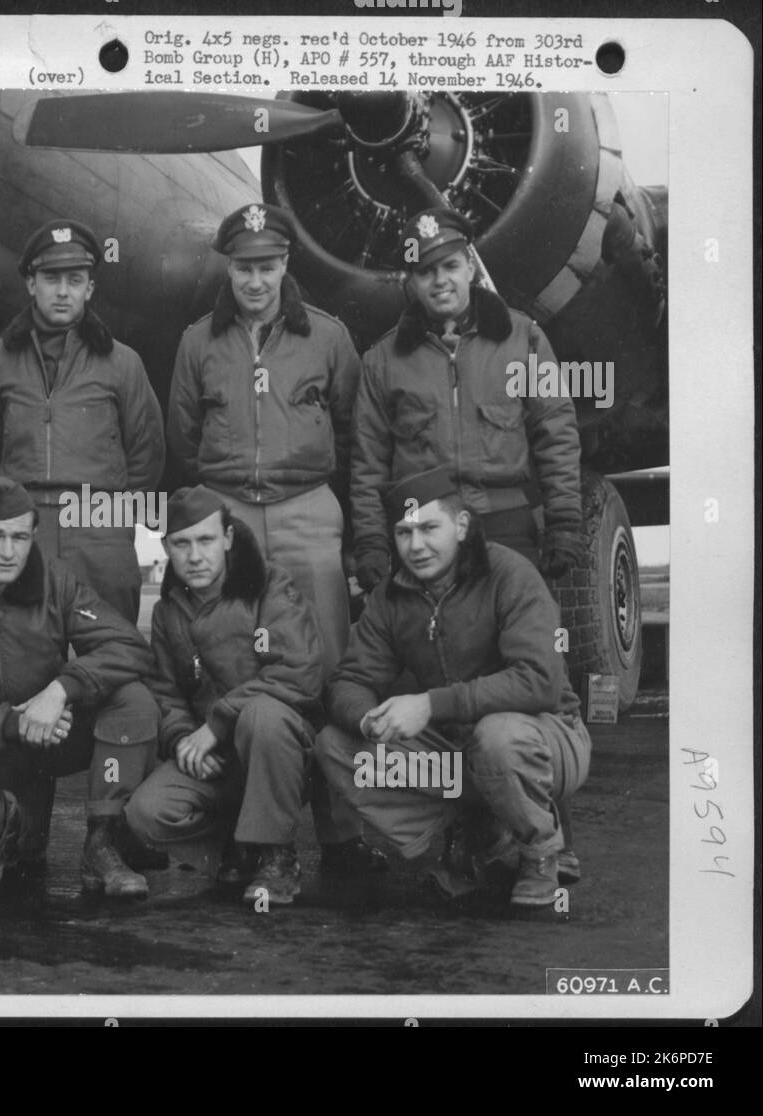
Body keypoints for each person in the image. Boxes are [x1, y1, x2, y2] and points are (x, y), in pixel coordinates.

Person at [166, 202, 378, 875]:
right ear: (227, 267)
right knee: (232, 667)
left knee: (329, 670)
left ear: (286, 264)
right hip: (229, 510)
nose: (254, 281)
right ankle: (248, 838)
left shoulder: (329, 336)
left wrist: (327, 509)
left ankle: (342, 837)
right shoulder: (199, 340)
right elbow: (183, 434)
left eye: (267, 266)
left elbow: (350, 431)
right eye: (242, 268)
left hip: (307, 506)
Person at [315, 468, 591, 907]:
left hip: (548, 740)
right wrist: (366, 717)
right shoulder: (391, 596)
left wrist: (429, 704)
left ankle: (539, 851)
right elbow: (351, 679)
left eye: (429, 528)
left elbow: (539, 682)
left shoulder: (509, 573)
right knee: (337, 746)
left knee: (498, 736)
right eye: (404, 533)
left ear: (461, 526)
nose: (416, 545)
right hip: (457, 759)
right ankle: (480, 827)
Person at [0, 475, 161, 897]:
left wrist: (61, 690)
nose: (7, 551)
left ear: (34, 536)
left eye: (19, 537)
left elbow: (127, 646)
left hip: (54, 738)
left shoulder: (55, 582)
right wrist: (11, 723)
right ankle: (0, 836)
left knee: (134, 702)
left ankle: (102, 842)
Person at [126, 487, 365, 906]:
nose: (195, 556)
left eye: (205, 541)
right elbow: (165, 692)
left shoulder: (270, 586)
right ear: (166, 547)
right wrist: (183, 738)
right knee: (147, 812)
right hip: (218, 759)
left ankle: (278, 858)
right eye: (181, 544)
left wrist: (216, 724)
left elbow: (297, 672)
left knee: (263, 716)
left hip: (287, 751)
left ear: (228, 539)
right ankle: (240, 851)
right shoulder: (167, 612)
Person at [351, 207, 583, 596]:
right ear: (412, 281)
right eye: (426, 272)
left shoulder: (524, 339)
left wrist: (563, 521)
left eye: (450, 266)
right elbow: (368, 463)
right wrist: (372, 541)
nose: (440, 281)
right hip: (424, 529)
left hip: (506, 524)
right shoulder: (382, 360)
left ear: (470, 267)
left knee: (523, 642)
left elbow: (556, 432)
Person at [0, 218, 165, 626]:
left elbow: (147, 452)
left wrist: (113, 521)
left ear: (89, 288)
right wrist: (15, 516)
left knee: (113, 653)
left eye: (75, 280)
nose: (62, 291)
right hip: (26, 527)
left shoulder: (124, 363)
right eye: (51, 278)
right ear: (31, 284)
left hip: (99, 527)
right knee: (24, 656)